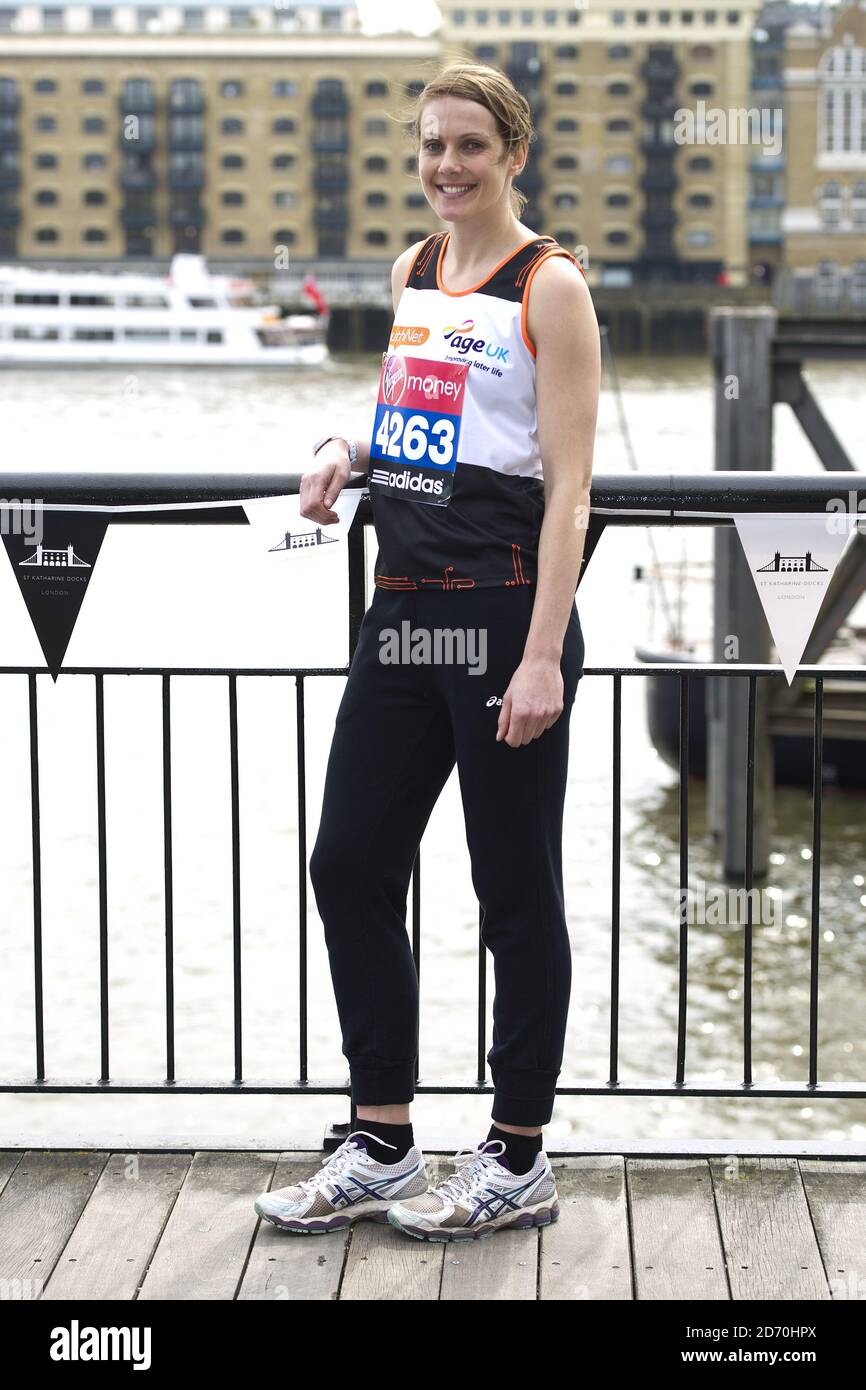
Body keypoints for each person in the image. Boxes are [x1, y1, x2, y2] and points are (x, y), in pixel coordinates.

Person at [254, 61, 600, 1242]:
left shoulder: (548, 286)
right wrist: (346, 445)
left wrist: (544, 652)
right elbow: (429, 429)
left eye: (467, 145)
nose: (444, 165)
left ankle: (515, 1156)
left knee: (511, 891)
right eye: (428, 145)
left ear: (512, 153)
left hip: (504, 611)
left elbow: (566, 490)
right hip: (400, 610)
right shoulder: (413, 271)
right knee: (348, 860)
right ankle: (384, 1137)